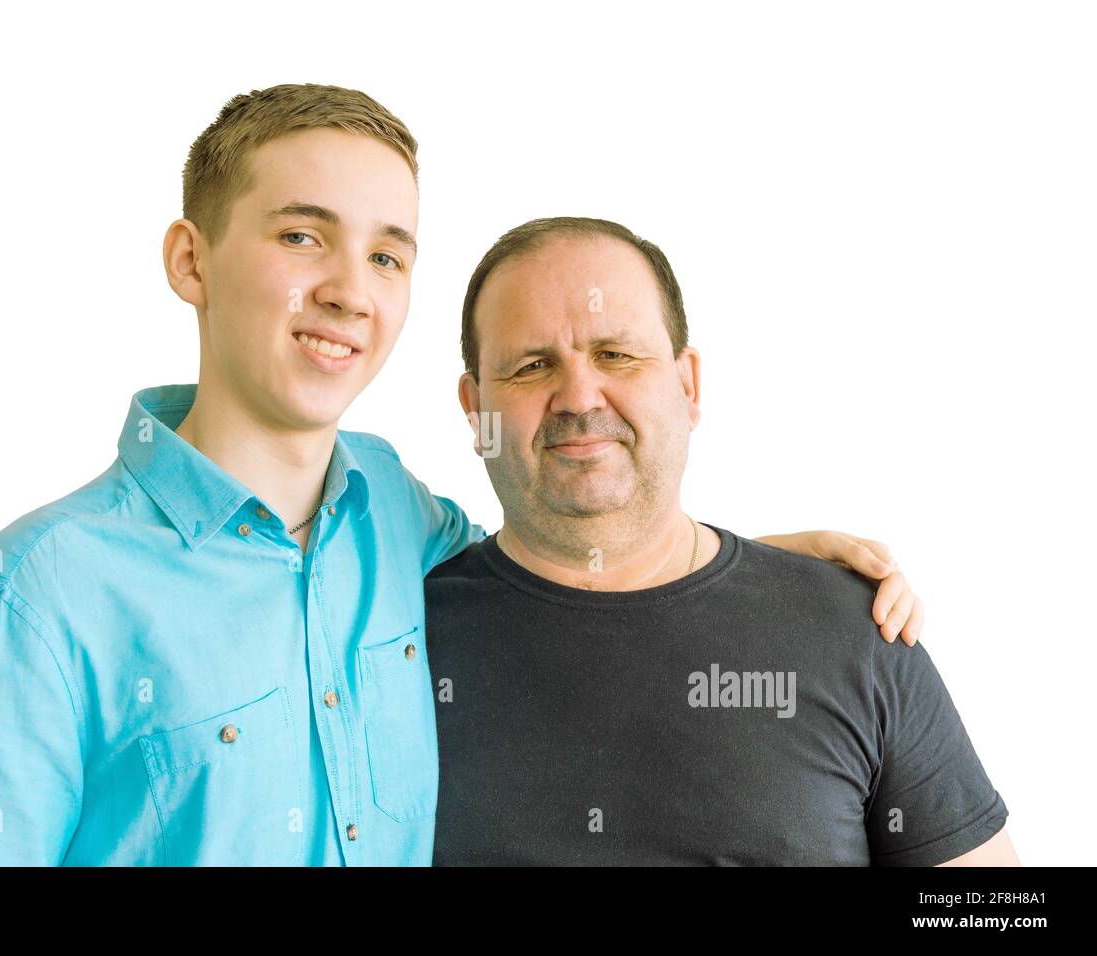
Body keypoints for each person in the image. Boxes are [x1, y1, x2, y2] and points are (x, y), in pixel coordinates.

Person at [0, 86, 924, 867]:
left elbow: (563, 559)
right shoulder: (35, 598)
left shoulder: (393, 515)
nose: (349, 289)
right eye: (302, 235)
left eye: (388, 256)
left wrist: (760, 573)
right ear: (190, 260)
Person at [429, 216, 1017, 865]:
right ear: (473, 406)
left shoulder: (853, 628)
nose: (577, 395)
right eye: (532, 365)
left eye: (615, 354)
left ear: (688, 387)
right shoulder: (385, 642)